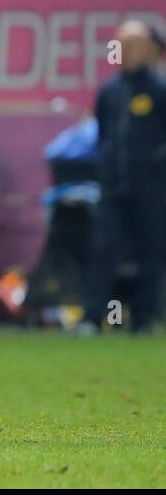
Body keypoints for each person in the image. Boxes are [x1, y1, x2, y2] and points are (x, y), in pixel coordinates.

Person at [83, 20, 166, 334]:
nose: (124, 51)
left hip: (151, 188)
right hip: (113, 187)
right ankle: (92, 319)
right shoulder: (110, 91)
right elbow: (103, 134)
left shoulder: (159, 90)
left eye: (131, 45)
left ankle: (143, 321)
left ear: (147, 50)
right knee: (104, 249)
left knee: (150, 251)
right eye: (120, 45)